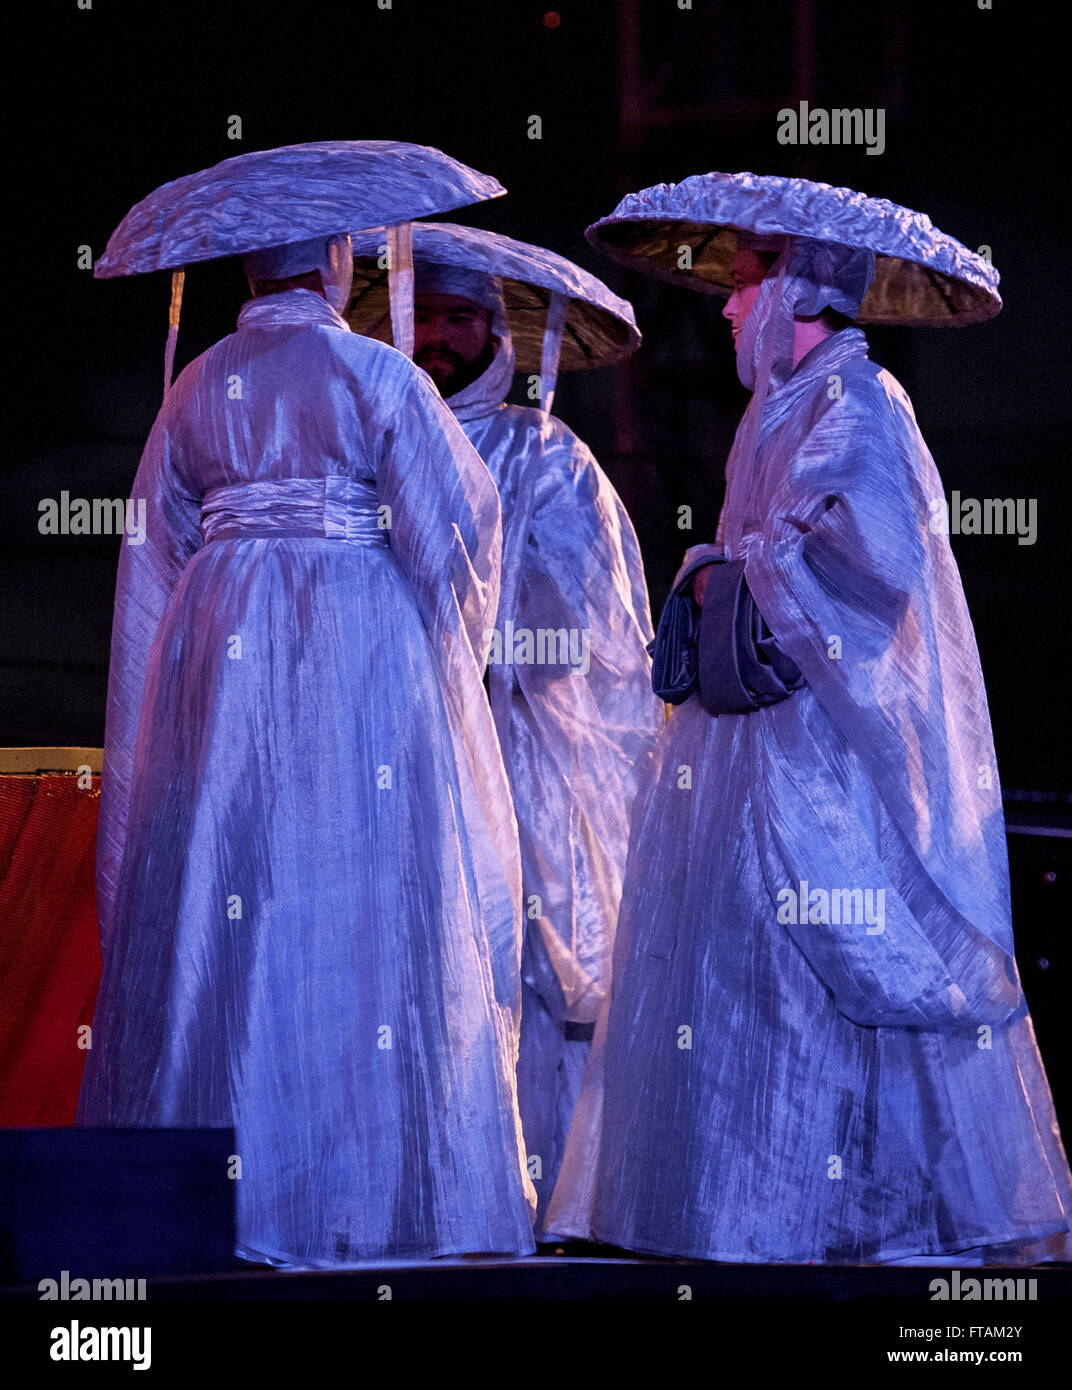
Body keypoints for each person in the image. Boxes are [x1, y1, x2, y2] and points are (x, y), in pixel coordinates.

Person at [546, 172, 1072, 1264]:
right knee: (742, 967)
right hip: (749, 737)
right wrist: (715, 571)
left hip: (816, 736)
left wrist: (749, 572)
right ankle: (738, 1206)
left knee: (832, 953)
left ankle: (854, 1216)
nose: (730, 306)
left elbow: (880, 560)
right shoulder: (778, 409)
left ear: (800, 287)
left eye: (746, 282)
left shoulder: (859, 402)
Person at [77, 143, 537, 1267]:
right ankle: (366, 1191)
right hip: (353, 647)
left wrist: (177, 670)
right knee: (359, 893)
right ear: (339, 259)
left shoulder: (194, 389)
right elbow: (460, 539)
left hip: (216, 649)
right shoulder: (380, 379)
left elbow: (152, 555)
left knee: (221, 881)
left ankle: (209, 1195)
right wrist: (442, 660)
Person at [348, 225, 664, 1232]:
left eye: (458, 318)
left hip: (516, 760)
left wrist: (497, 640)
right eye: (424, 316)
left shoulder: (550, 457)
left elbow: (601, 631)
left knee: (519, 970)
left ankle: (550, 1206)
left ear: (494, 332)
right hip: (392, 754)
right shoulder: (367, 441)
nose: (438, 338)